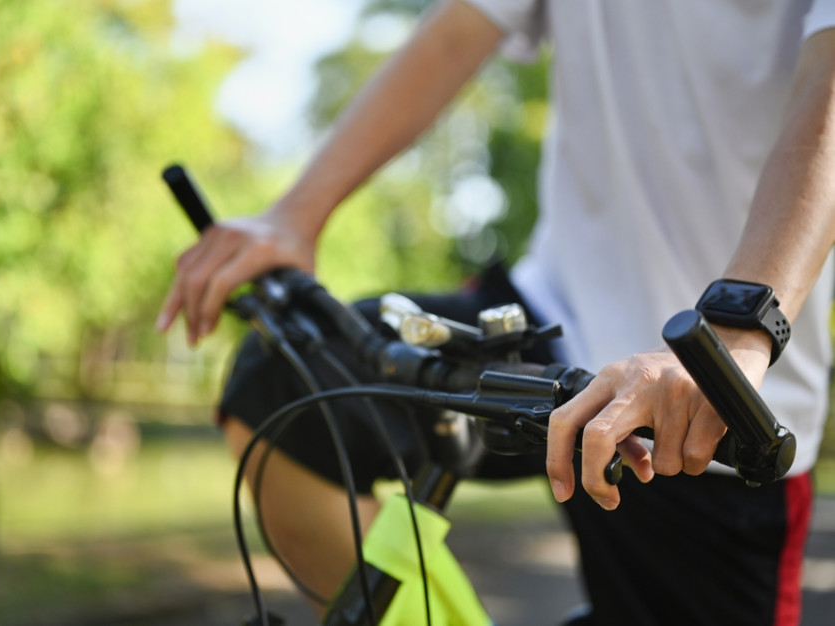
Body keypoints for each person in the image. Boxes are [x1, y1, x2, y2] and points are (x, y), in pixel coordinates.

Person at [157, 1, 835, 623]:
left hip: (717, 405)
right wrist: (295, 216)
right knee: (287, 386)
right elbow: (460, 27)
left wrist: (738, 331)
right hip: (555, 315)